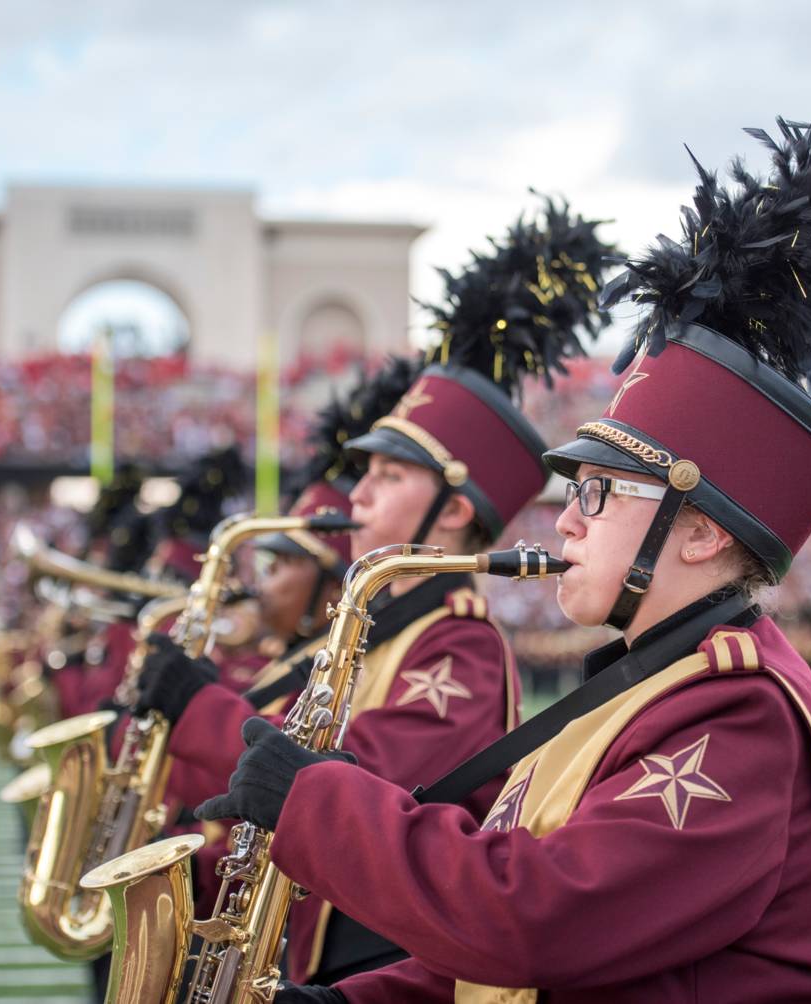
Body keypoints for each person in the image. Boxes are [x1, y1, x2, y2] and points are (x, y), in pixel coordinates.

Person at [197, 83, 811, 1002]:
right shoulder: (635, 688)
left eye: (599, 492)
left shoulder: (742, 712)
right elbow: (497, 976)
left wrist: (316, 804)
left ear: (704, 531)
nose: (565, 519)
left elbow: (536, 923)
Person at [133, 196, 616, 985]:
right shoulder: (379, 629)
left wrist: (197, 706)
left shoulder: (461, 644)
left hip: (371, 966)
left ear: (453, 511)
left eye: (389, 476)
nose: (355, 496)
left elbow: (359, 776)